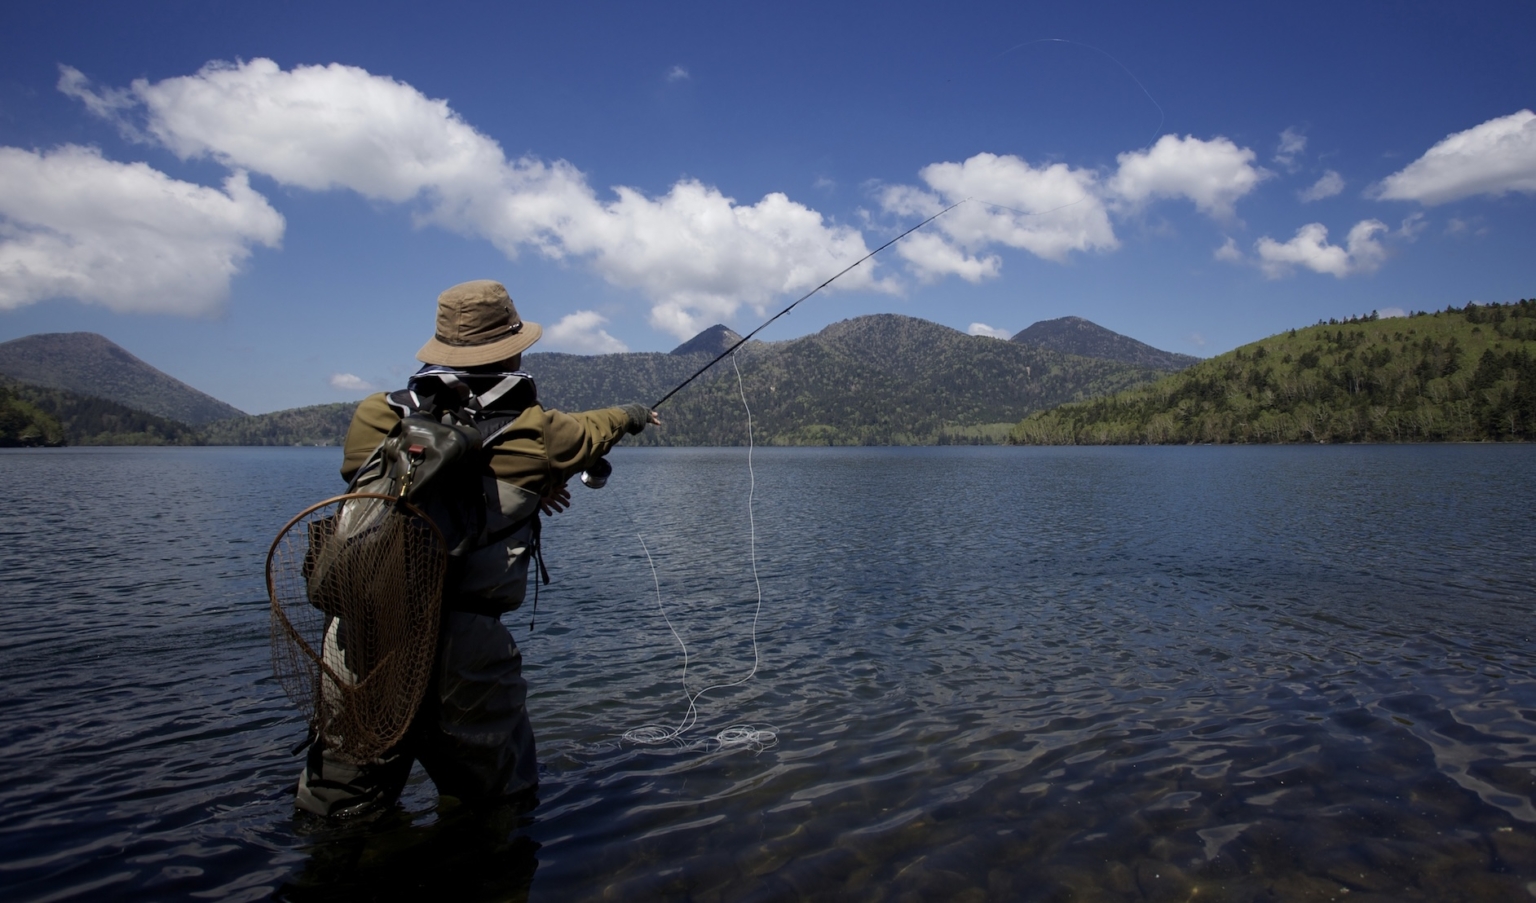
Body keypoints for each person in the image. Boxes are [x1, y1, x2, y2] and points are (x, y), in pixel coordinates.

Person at [295, 279, 658, 818]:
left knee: (338, 804)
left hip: (360, 633)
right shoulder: (537, 434)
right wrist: (632, 412)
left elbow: (387, 481)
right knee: (498, 802)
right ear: (512, 350)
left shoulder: (375, 415)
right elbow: (594, 429)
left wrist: (514, 485)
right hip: (461, 648)